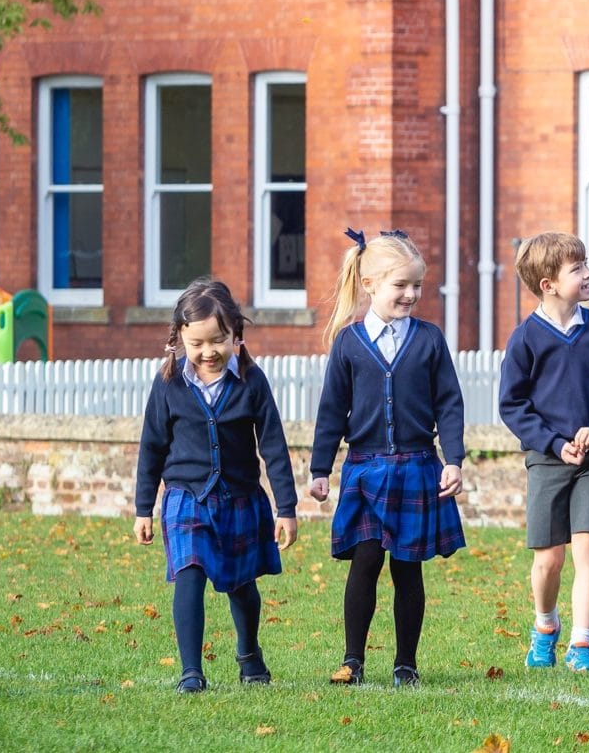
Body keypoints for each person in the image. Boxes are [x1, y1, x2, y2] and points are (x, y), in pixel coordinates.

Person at [308, 229, 468, 688]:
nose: (411, 294)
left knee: (407, 567)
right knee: (365, 562)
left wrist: (452, 459)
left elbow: (450, 405)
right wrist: (321, 469)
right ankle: (352, 660)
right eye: (401, 285)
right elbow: (331, 410)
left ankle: (405, 664)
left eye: (417, 285)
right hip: (364, 469)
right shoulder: (348, 343)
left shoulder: (430, 340)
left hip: (418, 467)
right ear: (370, 283)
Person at [131, 278, 298, 693]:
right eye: (198, 343)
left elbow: (273, 447)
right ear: (179, 340)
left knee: (242, 585)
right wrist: (142, 508)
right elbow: (151, 447)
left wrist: (287, 508)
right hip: (186, 499)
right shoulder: (168, 384)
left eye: (219, 340)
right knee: (189, 573)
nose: (209, 352)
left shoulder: (252, 382)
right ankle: (191, 670)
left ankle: (248, 653)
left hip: (241, 499)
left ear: (236, 335)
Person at [499, 232, 589, 673]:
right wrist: (555, 443)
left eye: (586, 264)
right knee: (549, 559)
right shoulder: (525, 340)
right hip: (546, 460)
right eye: (577, 269)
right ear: (548, 285)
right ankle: (545, 628)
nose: (588, 274)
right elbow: (512, 406)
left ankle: (581, 645)